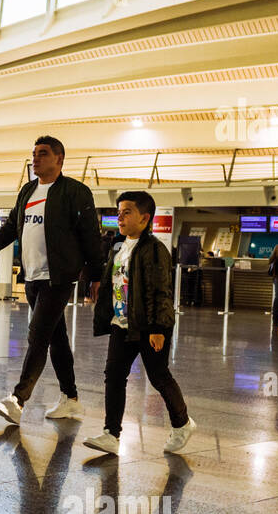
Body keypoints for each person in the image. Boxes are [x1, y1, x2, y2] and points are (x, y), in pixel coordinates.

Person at [0, 135, 103, 425]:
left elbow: (90, 236)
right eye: (34, 154)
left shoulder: (76, 192)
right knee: (56, 339)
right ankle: (71, 400)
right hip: (33, 276)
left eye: (43, 154)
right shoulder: (28, 190)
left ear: (59, 159)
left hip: (58, 277)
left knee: (37, 336)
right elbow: (12, 225)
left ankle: (17, 400)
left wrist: (95, 275)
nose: (35, 159)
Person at [82, 191, 196, 456]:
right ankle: (111, 434)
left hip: (149, 325)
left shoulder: (154, 249)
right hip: (121, 323)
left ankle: (182, 424)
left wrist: (157, 329)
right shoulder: (119, 247)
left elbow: (160, 291)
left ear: (145, 218)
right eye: (118, 212)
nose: (119, 217)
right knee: (113, 376)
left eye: (127, 212)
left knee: (158, 376)